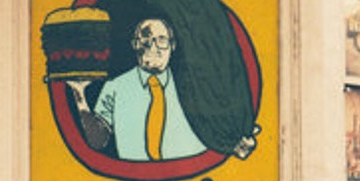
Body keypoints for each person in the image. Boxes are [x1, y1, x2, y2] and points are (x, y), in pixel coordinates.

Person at [68, 17, 251, 161]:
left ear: (172, 46)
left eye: (161, 40)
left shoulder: (195, 83)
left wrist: (233, 143)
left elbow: (216, 123)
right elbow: (98, 141)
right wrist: (79, 96)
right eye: (145, 39)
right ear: (135, 45)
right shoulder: (115, 87)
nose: (153, 47)